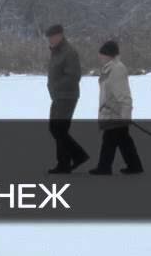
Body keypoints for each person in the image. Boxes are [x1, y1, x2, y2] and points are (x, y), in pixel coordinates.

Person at [90, 40, 144, 175]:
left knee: (110, 139)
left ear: (109, 55)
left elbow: (123, 94)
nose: (100, 57)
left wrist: (125, 114)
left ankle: (104, 167)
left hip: (115, 112)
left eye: (102, 54)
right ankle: (134, 166)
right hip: (111, 111)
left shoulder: (116, 69)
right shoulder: (109, 69)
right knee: (122, 140)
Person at [45, 24, 89, 174]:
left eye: (52, 37)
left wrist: (57, 86)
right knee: (58, 129)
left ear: (60, 35)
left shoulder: (69, 52)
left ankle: (78, 156)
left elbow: (74, 75)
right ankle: (64, 163)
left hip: (67, 96)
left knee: (57, 129)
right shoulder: (56, 52)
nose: (50, 40)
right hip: (58, 96)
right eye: (48, 38)